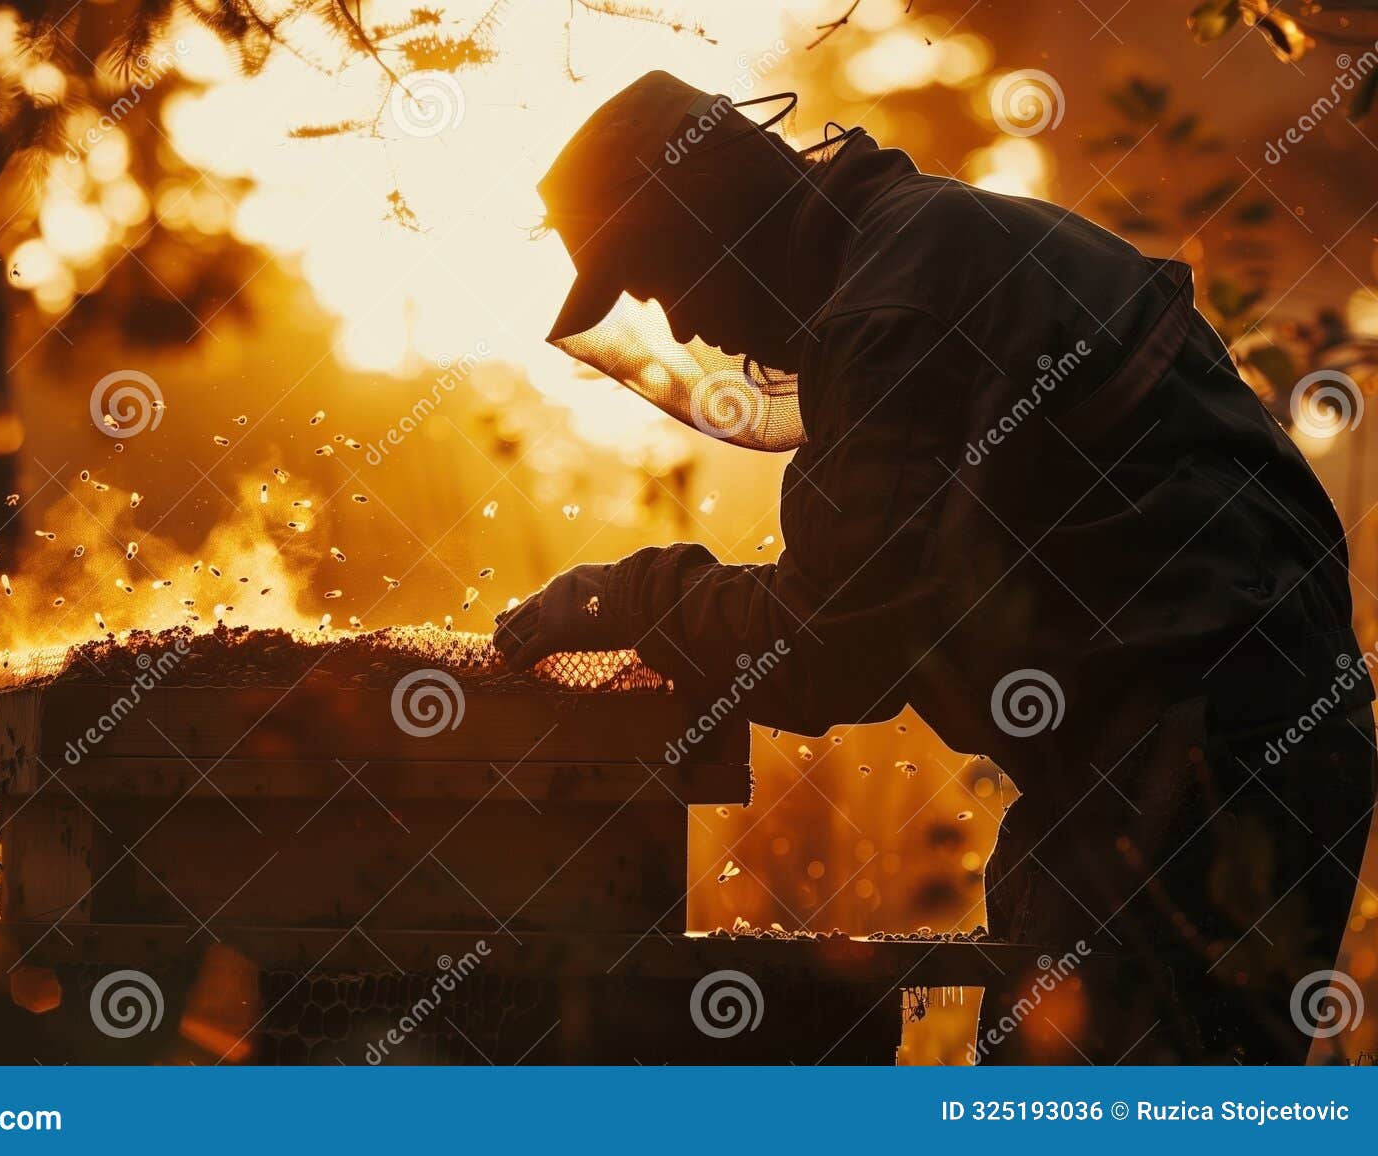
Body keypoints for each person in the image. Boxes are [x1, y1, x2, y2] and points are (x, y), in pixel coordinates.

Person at [494, 70, 1377, 1063]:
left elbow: (837, 638)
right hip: (1173, 758)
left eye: (666, 280)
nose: (685, 330)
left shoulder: (893, 306)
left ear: (719, 220)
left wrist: (635, 596)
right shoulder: (909, 247)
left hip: (1203, 769)